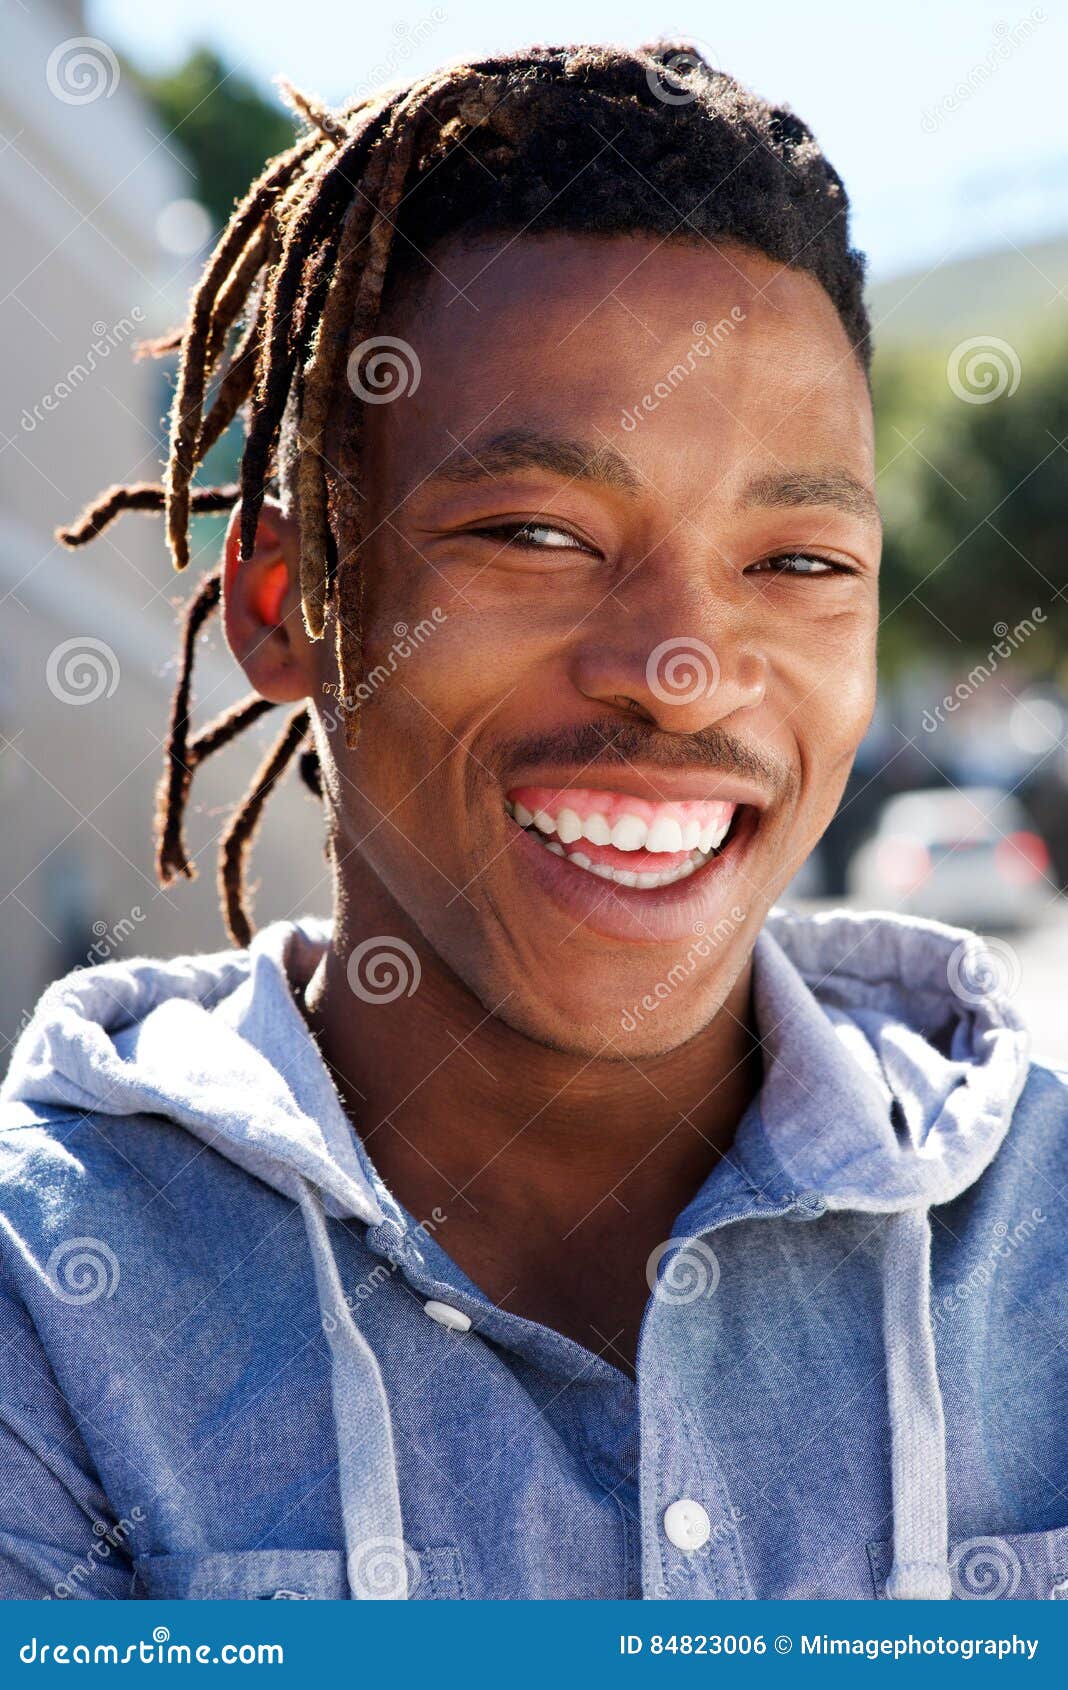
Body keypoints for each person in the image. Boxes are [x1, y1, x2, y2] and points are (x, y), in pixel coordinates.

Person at [1, 43, 1063, 1604]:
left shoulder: (1039, 1233)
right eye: (539, 535)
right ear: (290, 602)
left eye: (798, 561)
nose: (684, 673)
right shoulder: (50, 1297)